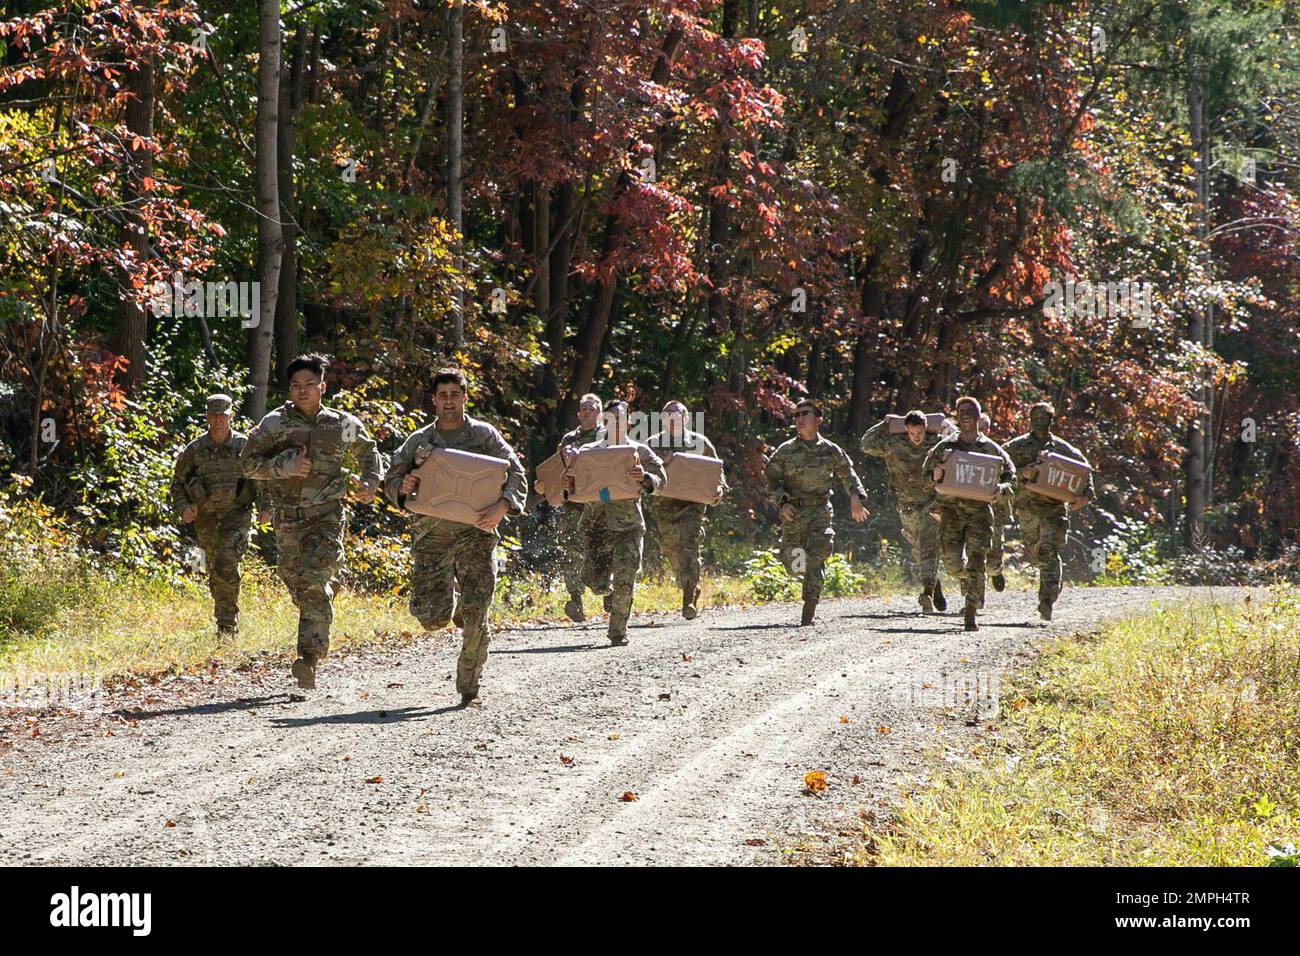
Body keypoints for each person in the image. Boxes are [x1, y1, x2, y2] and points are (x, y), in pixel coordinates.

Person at [382, 368, 526, 706]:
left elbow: (516, 472)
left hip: (477, 532)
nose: (449, 400)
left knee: (477, 608)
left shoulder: (484, 436)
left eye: (454, 394)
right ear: (434, 400)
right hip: (432, 537)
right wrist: (401, 488)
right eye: (442, 395)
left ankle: (469, 681)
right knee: (431, 616)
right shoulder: (418, 441)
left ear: (465, 397)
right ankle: (447, 608)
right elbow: (392, 479)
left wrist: (504, 505)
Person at [241, 354, 383, 689]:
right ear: (289, 389)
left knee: (313, 582)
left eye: (309, 385)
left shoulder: (339, 424)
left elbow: (369, 452)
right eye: (295, 386)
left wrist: (370, 482)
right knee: (298, 583)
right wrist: (284, 465)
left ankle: (308, 658)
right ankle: (325, 591)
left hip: (327, 516)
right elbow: (247, 464)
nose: (302, 392)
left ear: (322, 386)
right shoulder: (274, 424)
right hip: (287, 517)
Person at [563, 400, 666, 646]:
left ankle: (618, 632)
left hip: (629, 526)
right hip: (595, 527)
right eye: (609, 420)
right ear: (603, 422)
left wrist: (645, 477)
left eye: (619, 419)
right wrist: (568, 486)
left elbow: (662, 479)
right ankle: (602, 588)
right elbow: (571, 484)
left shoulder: (639, 451)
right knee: (593, 579)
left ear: (628, 422)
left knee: (625, 577)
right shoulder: (588, 451)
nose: (614, 424)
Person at [763, 399, 869, 626]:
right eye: (796, 415)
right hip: (793, 512)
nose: (799, 419)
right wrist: (782, 503)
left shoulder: (830, 450)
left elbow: (848, 474)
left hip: (820, 510)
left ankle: (810, 602)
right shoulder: (786, 450)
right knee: (793, 563)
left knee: (817, 553)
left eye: (805, 414)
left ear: (818, 420)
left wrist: (855, 496)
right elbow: (769, 481)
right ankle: (805, 578)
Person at [171, 394, 269, 634]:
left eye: (222, 415)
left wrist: (266, 508)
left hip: (238, 516)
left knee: (227, 562)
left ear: (231, 416)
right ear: (206, 416)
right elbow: (177, 483)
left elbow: (261, 479)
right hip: (207, 519)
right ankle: (223, 616)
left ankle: (227, 625)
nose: (218, 420)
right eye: (214, 415)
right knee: (214, 569)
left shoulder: (244, 447)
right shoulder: (194, 450)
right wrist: (184, 508)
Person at [921, 396, 1016, 632]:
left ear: (977, 416)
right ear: (957, 416)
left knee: (977, 560)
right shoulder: (944, 447)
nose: (965, 415)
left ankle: (971, 609)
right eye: (961, 411)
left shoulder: (991, 449)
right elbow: (925, 476)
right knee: (952, 562)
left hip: (979, 513)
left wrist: (1001, 489)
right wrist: (935, 475)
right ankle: (968, 579)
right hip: (951, 512)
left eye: (970, 411)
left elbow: (1011, 478)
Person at [1004, 402, 1094, 620]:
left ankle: (1047, 600)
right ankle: (1053, 585)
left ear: (1051, 421)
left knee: (1048, 551)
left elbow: (1084, 471)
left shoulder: (1063, 449)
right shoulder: (1016, 447)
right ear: (1029, 420)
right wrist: (1022, 472)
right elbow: (999, 470)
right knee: (1037, 552)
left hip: (1053, 508)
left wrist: (1086, 497)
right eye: (1036, 419)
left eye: (1044, 419)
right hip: (1026, 510)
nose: (1040, 423)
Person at [860, 409, 949, 613]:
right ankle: (935, 585)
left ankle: (926, 591)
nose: (917, 438)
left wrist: (945, 426)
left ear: (926, 428)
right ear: (906, 430)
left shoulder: (937, 445)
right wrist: (886, 424)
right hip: (907, 505)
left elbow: (957, 444)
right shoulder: (893, 445)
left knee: (928, 543)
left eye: (920, 433)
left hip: (932, 502)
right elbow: (865, 444)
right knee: (918, 548)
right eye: (912, 433)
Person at [645, 400, 725, 619]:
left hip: (692, 505)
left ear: (686, 418)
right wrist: (664, 462)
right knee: (671, 549)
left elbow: (716, 469)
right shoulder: (652, 444)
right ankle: (689, 584)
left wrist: (718, 489)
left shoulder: (700, 442)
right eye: (667, 414)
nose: (672, 417)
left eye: (677, 413)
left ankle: (688, 598)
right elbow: (644, 472)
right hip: (664, 506)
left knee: (688, 546)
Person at [535, 393, 604, 622]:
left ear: (599, 413)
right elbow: (558, 467)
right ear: (578, 413)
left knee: (601, 549)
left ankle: (607, 590)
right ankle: (575, 600)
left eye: (591, 409)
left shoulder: (607, 438)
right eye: (583, 408)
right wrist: (546, 485)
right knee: (570, 550)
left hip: (599, 504)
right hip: (572, 503)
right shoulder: (568, 439)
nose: (586, 412)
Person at [980, 412, 1012, 594]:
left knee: (993, 556)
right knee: (972, 554)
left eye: (983, 428)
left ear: (988, 430)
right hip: (971, 509)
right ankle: (973, 598)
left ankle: (996, 571)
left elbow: (1011, 479)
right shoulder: (960, 451)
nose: (980, 431)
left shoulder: (997, 453)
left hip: (995, 510)